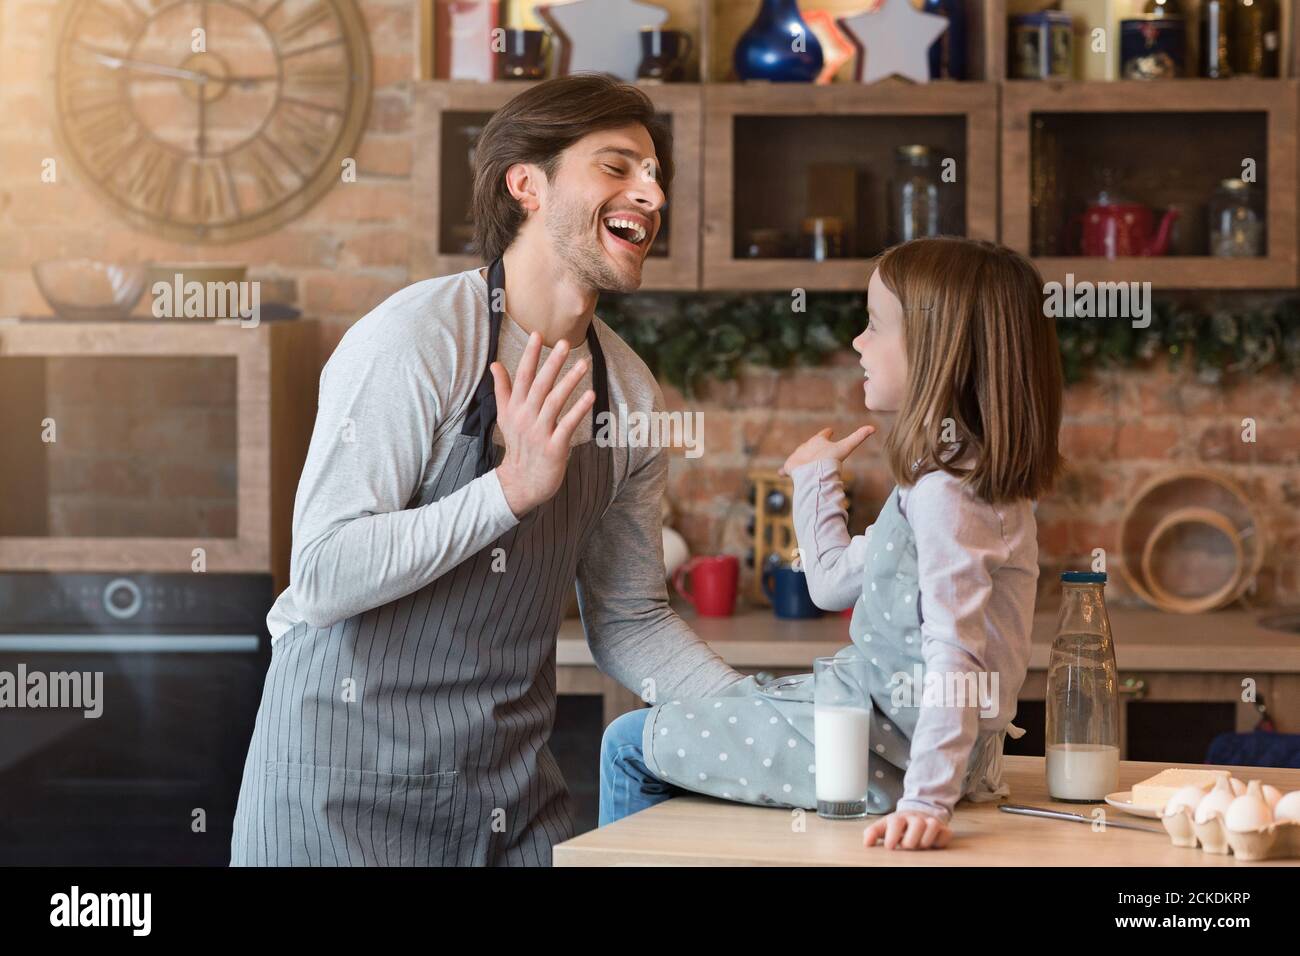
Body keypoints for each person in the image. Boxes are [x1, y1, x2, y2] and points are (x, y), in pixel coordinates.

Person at [230, 74, 747, 867]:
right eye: (617, 167)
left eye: (654, 175)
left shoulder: (631, 392)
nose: (650, 192)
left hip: (503, 801)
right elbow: (325, 571)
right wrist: (507, 493)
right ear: (526, 184)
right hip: (337, 792)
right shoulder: (419, 338)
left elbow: (631, 623)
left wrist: (765, 718)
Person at [599, 236, 1065, 851]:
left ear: (936, 350)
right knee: (717, 711)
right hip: (876, 731)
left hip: (884, 751)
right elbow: (830, 583)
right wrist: (815, 478)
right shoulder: (953, 482)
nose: (857, 343)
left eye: (874, 326)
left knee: (629, 743)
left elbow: (957, 660)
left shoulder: (948, 495)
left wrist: (928, 802)